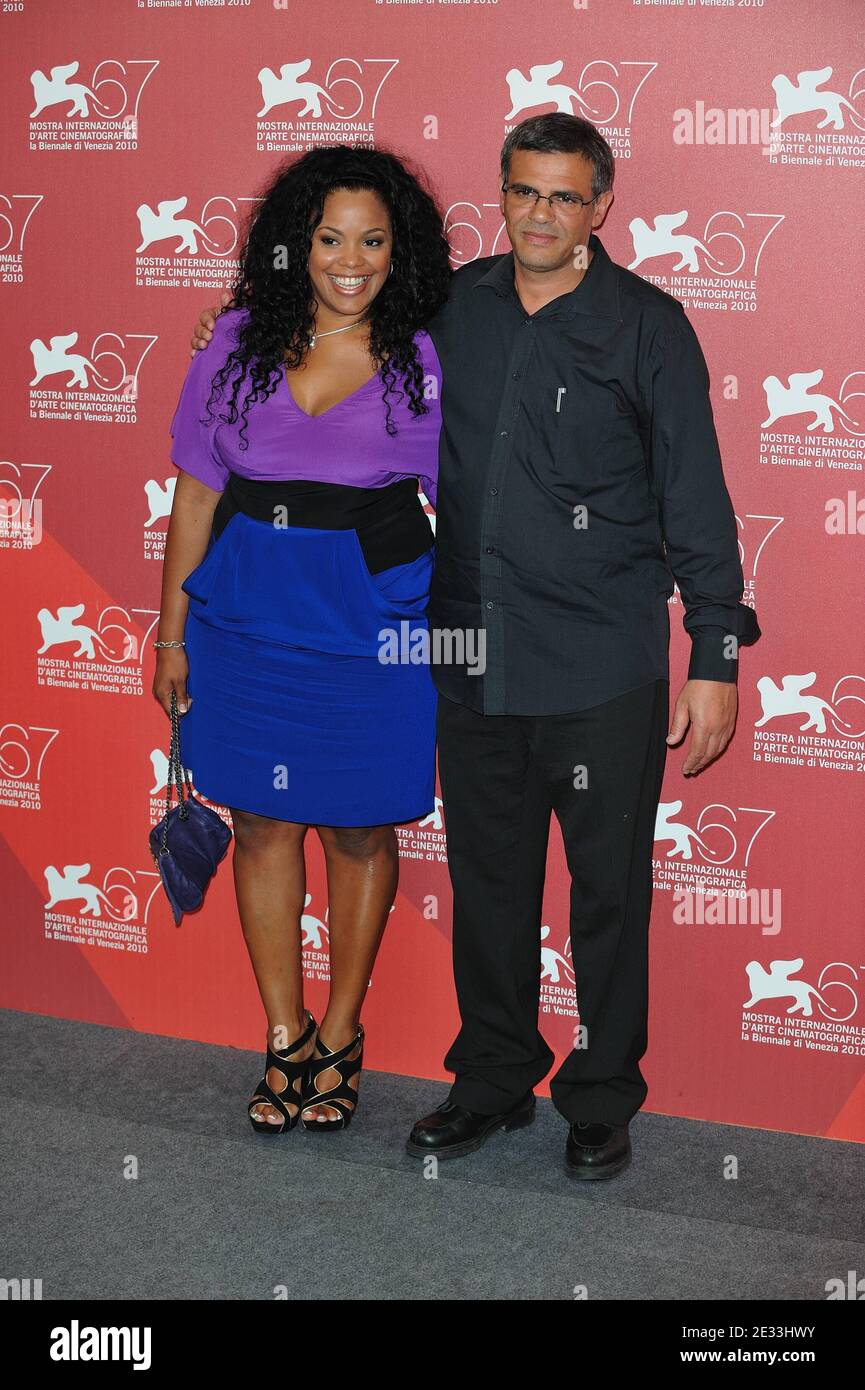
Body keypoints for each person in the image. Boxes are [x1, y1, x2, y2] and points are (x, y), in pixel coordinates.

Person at [189, 114, 760, 1178]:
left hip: (600, 661)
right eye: (522, 192)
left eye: (563, 195)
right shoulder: (449, 312)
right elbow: (331, 329)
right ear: (499, 194)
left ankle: (598, 1096)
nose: (540, 214)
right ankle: (493, 1080)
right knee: (491, 888)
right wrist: (232, 328)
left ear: (601, 205)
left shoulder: (649, 326)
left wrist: (716, 653)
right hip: (464, 647)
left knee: (605, 895)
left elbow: (695, 499)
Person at [155, 145, 450, 1136]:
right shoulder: (232, 339)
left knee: (363, 828)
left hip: (377, 630)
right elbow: (195, 493)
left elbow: (474, 505)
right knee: (264, 825)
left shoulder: (428, 356)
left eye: (373, 239)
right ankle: (282, 1036)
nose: (350, 258)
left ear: (398, 250)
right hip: (247, 622)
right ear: (297, 244)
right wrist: (170, 633)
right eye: (330, 238)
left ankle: (340, 1031)